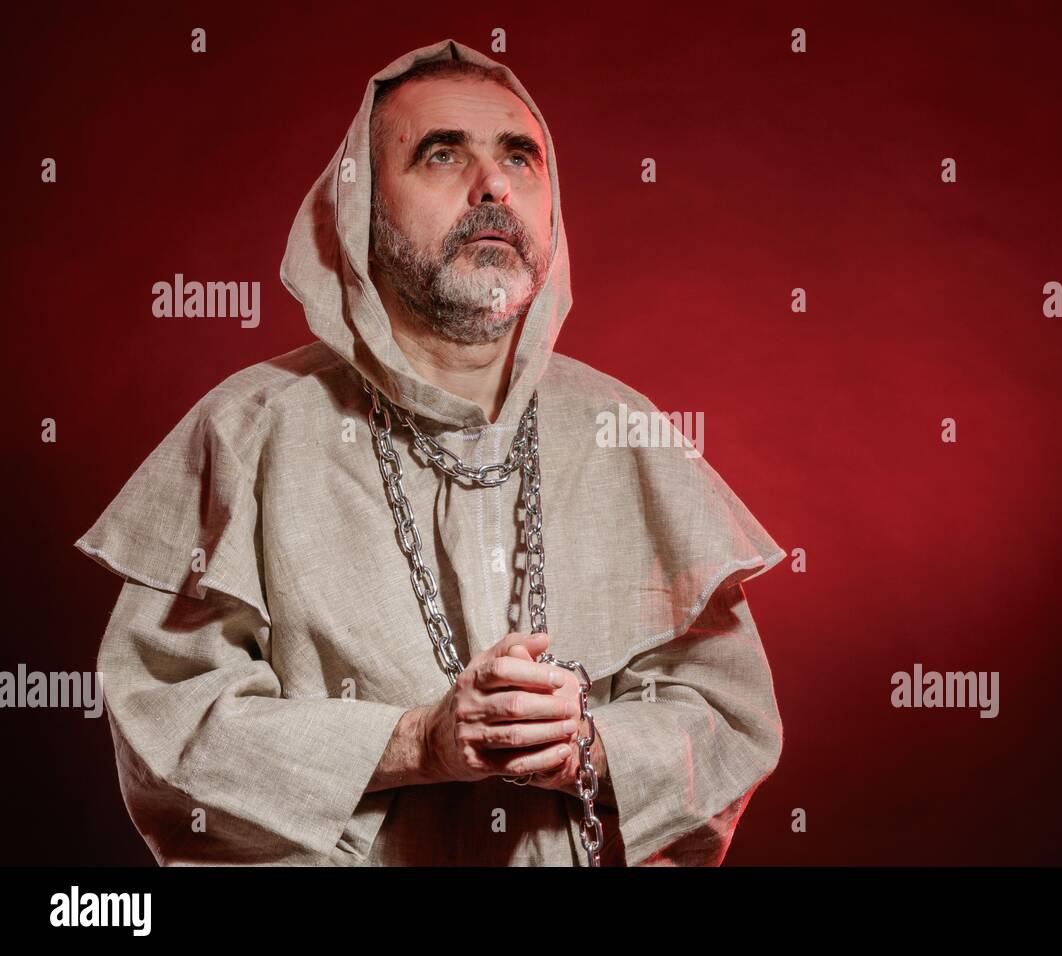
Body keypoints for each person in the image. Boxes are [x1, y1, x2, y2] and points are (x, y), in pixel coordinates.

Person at [76, 39, 786, 866]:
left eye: (520, 157)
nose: (493, 185)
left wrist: (582, 750)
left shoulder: (625, 429)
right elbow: (167, 728)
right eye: (442, 153)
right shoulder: (245, 430)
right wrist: (418, 743)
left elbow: (730, 721)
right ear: (361, 208)